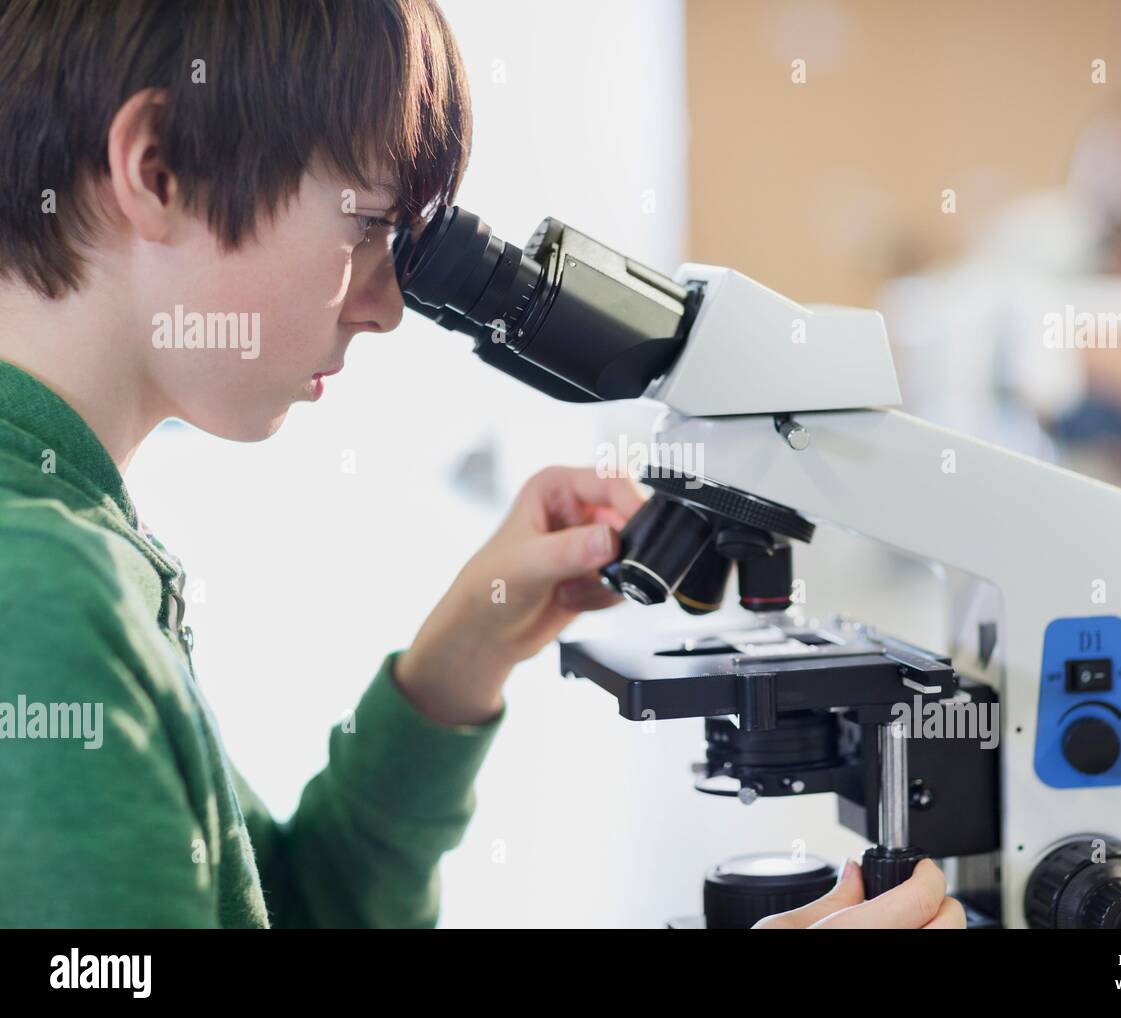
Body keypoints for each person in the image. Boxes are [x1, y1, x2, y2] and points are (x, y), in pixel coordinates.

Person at [0, 0, 962, 929]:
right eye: (372, 226)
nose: (383, 307)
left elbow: (291, 909)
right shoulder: (41, 595)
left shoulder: (69, 535)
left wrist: (453, 668)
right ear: (158, 168)